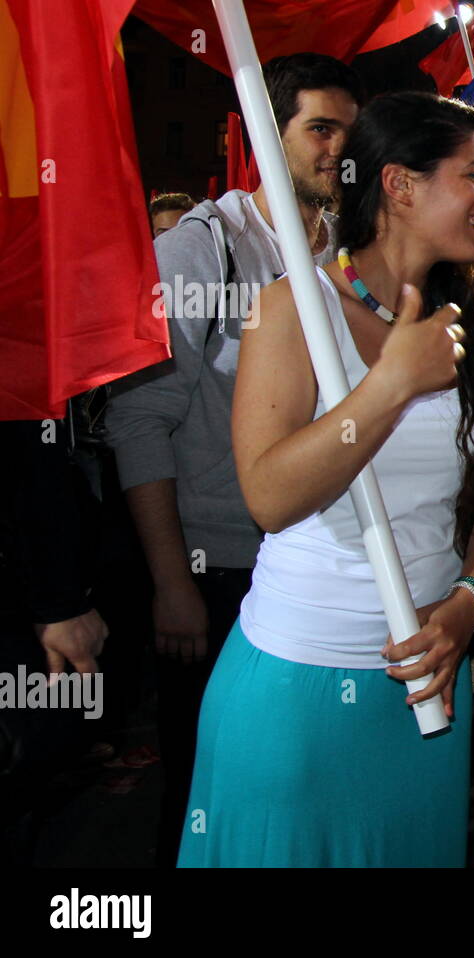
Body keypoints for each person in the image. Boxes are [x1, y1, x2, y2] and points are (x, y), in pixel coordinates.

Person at [176, 92, 474, 867]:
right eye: (473, 174)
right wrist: (388, 388)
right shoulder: (292, 309)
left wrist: (468, 603)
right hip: (295, 694)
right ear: (399, 184)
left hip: (425, 695)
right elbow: (271, 498)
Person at [106, 52, 363, 867]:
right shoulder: (203, 249)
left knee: (302, 797)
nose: (339, 150)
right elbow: (140, 422)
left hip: (329, 574)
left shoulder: (358, 255)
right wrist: (172, 584)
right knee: (207, 798)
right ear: (267, 134)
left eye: (351, 133)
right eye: (319, 128)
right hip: (221, 576)